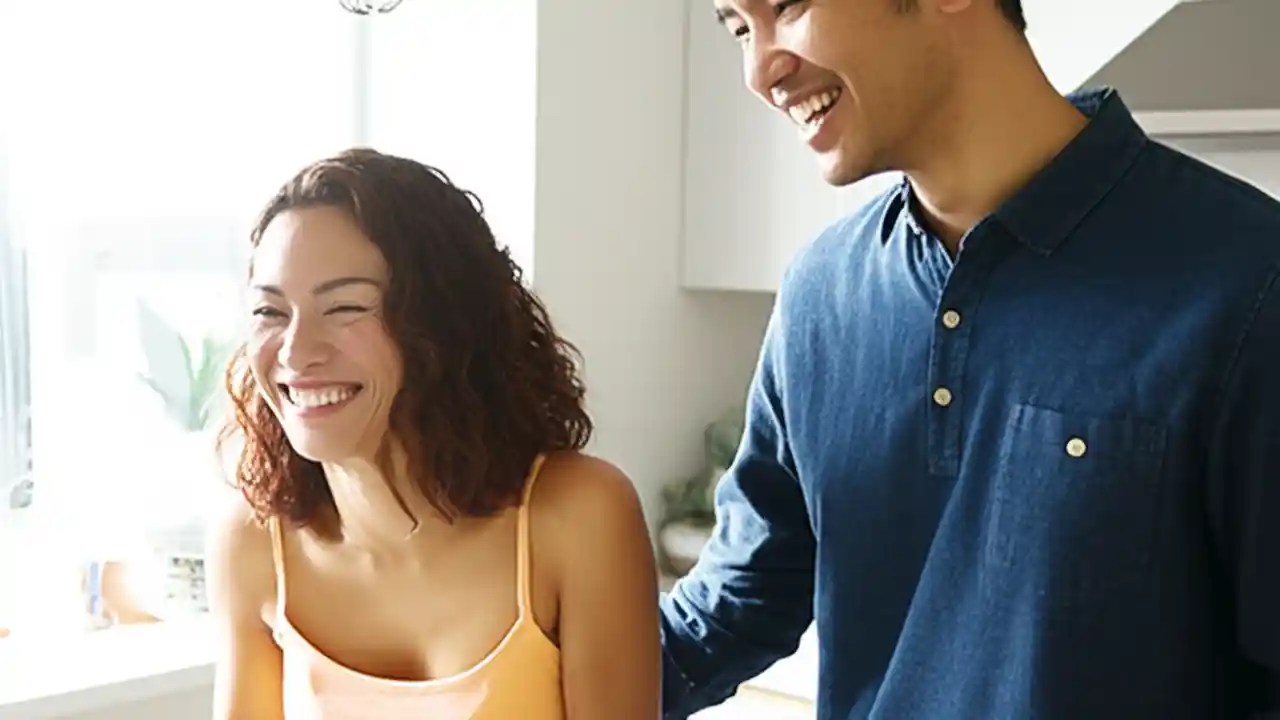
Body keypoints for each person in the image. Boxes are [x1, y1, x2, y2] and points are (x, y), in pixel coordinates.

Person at [659, 1, 1280, 718]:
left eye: (789, 6)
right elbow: (736, 603)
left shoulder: (1248, 287)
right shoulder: (820, 294)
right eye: (739, 27)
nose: (760, 69)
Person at [207, 148, 660, 720]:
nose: (296, 351)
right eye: (270, 313)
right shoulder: (250, 544)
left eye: (345, 307)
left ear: (442, 323)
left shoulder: (579, 516)